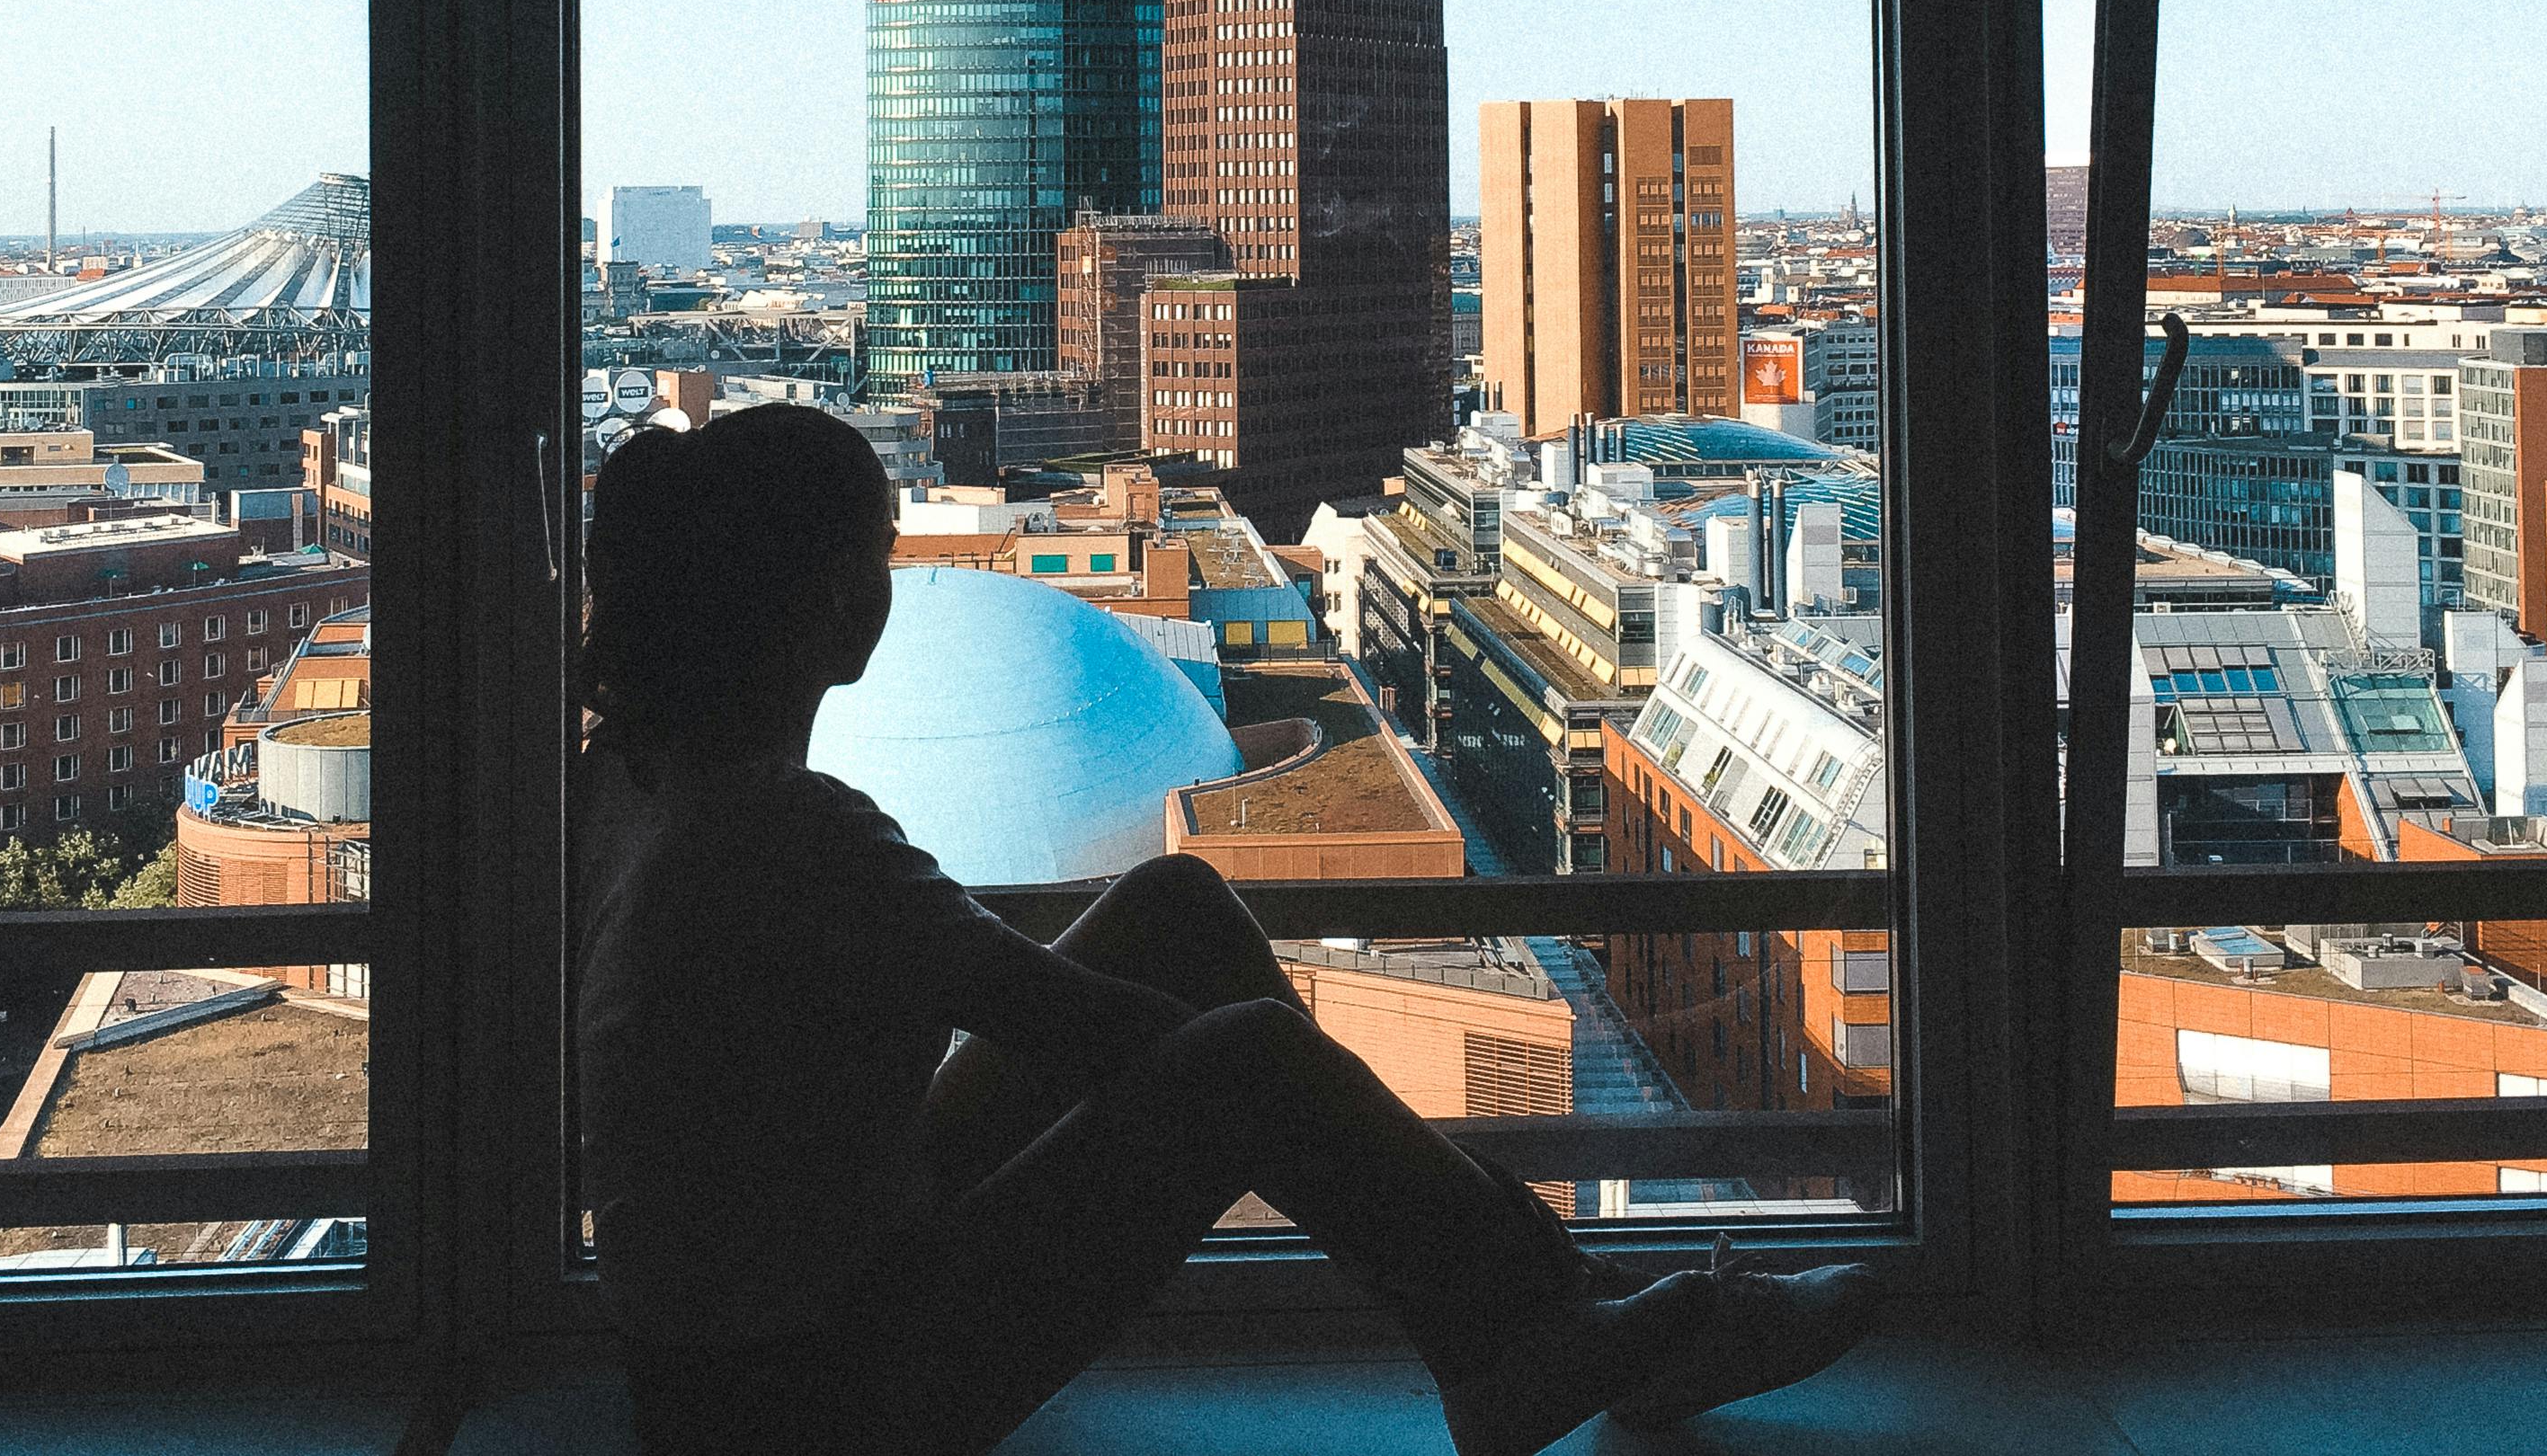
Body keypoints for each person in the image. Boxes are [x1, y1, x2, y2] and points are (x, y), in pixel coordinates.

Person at [574, 404, 1880, 1456]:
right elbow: (1083, 1028)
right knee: (1242, 1047)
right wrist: (1269, 1082)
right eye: (876, 558)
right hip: (815, 1404)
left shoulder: (657, 799)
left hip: (730, 1367)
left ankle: (1540, 1311)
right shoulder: (791, 836)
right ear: (835, 612)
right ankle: (1531, 1330)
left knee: (1176, 907)